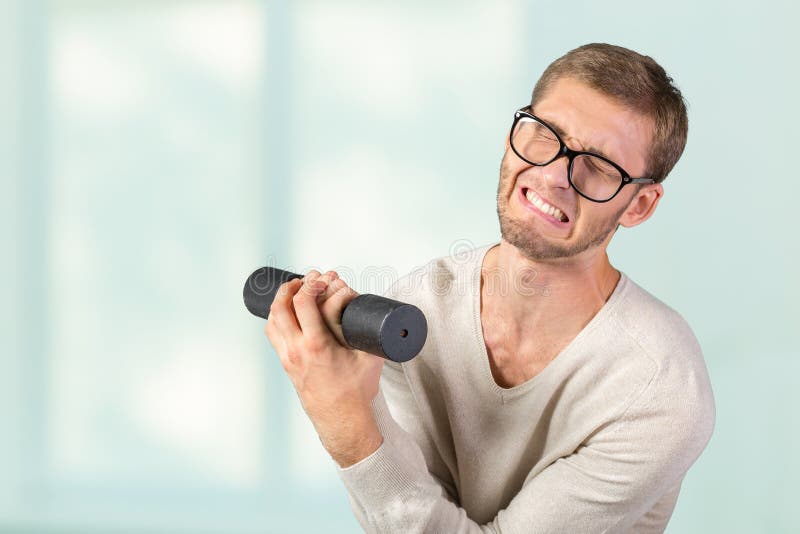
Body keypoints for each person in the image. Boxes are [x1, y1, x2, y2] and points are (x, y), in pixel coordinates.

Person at [264, 43, 715, 533]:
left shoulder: (657, 387)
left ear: (639, 206)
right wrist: (353, 396)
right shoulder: (419, 306)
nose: (554, 175)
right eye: (546, 135)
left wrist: (345, 421)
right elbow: (396, 518)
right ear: (513, 133)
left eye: (600, 165)